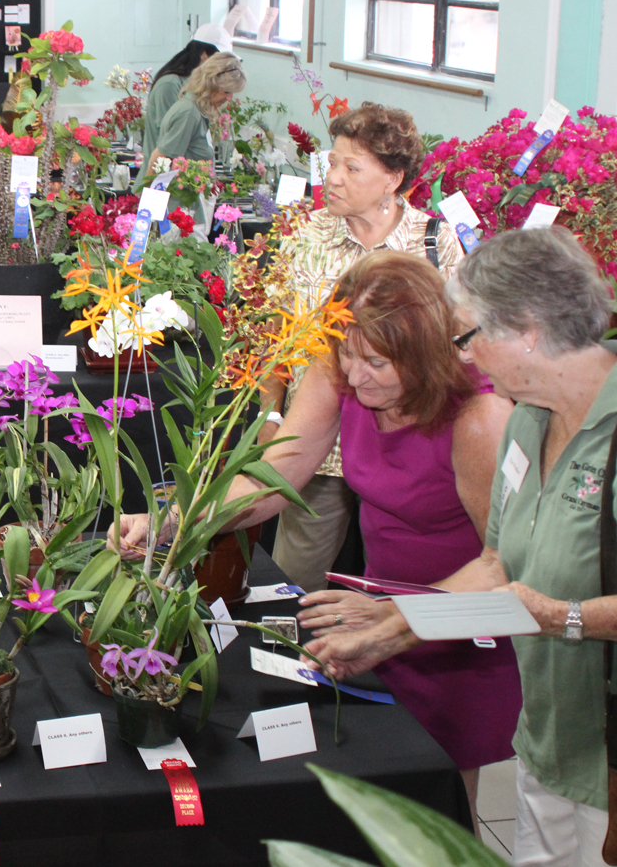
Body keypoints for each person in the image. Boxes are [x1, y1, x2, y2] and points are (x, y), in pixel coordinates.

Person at [121, 250, 521, 829]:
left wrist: (398, 618)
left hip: (456, 627)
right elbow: (273, 479)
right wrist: (173, 518)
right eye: (347, 353)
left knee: (438, 806)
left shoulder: (481, 417)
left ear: (428, 352)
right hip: (367, 612)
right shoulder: (341, 369)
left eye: (377, 362)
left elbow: (502, 564)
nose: (355, 376)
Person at [305, 228, 617, 866]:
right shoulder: (528, 419)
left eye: (469, 335)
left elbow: (538, 603)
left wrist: (562, 617)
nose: (465, 356)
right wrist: (391, 627)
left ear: (527, 330)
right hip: (549, 737)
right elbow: (495, 563)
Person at [269, 102, 465, 592]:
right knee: (292, 579)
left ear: (392, 179)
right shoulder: (306, 237)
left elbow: (458, 346)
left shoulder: (434, 243)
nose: (333, 177)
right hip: (315, 448)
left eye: (351, 168)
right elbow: (276, 339)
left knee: (400, 578)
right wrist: (271, 418)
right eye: (332, 162)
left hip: (406, 452)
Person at [138, 24, 233, 182]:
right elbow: (166, 146)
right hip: (162, 182)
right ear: (204, 55)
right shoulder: (170, 85)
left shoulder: (194, 85)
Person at [145, 51, 245, 167]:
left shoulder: (196, 110)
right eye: (226, 91)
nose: (230, 98)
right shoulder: (188, 113)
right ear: (209, 84)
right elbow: (159, 159)